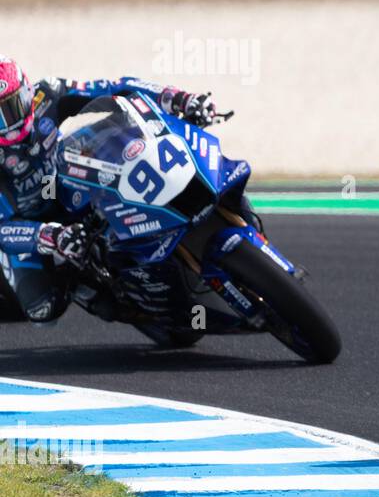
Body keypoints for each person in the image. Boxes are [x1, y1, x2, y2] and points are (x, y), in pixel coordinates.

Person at [0, 55, 220, 324]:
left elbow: (113, 87)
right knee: (43, 310)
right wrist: (50, 236)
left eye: (9, 108)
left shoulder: (47, 93)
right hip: (28, 221)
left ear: (25, 93)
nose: (6, 125)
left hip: (67, 183)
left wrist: (176, 99)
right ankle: (89, 289)